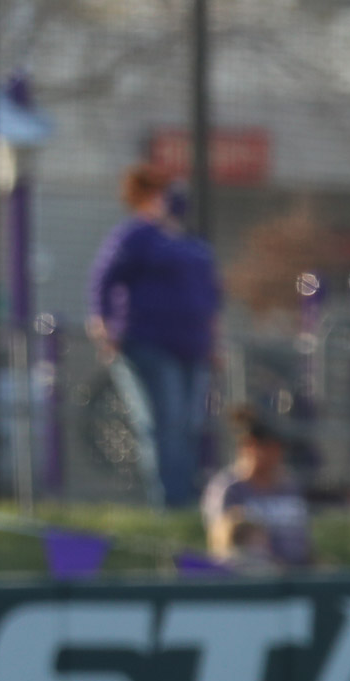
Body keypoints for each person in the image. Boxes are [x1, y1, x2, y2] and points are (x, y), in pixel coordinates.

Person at [86, 167, 221, 507]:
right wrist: (104, 326)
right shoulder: (135, 236)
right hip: (149, 344)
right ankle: (170, 503)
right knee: (166, 423)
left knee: (189, 425)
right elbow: (103, 279)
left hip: (192, 347)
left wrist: (214, 342)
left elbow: (211, 297)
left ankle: (185, 499)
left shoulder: (192, 243)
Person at [201, 407, 312, 569]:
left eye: (279, 449)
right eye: (270, 447)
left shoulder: (289, 487)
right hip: (249, 579)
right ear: (250, 446)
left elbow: (303, 540)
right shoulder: (229, 488)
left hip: (295, 578)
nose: (277, 455)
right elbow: (222, 545)